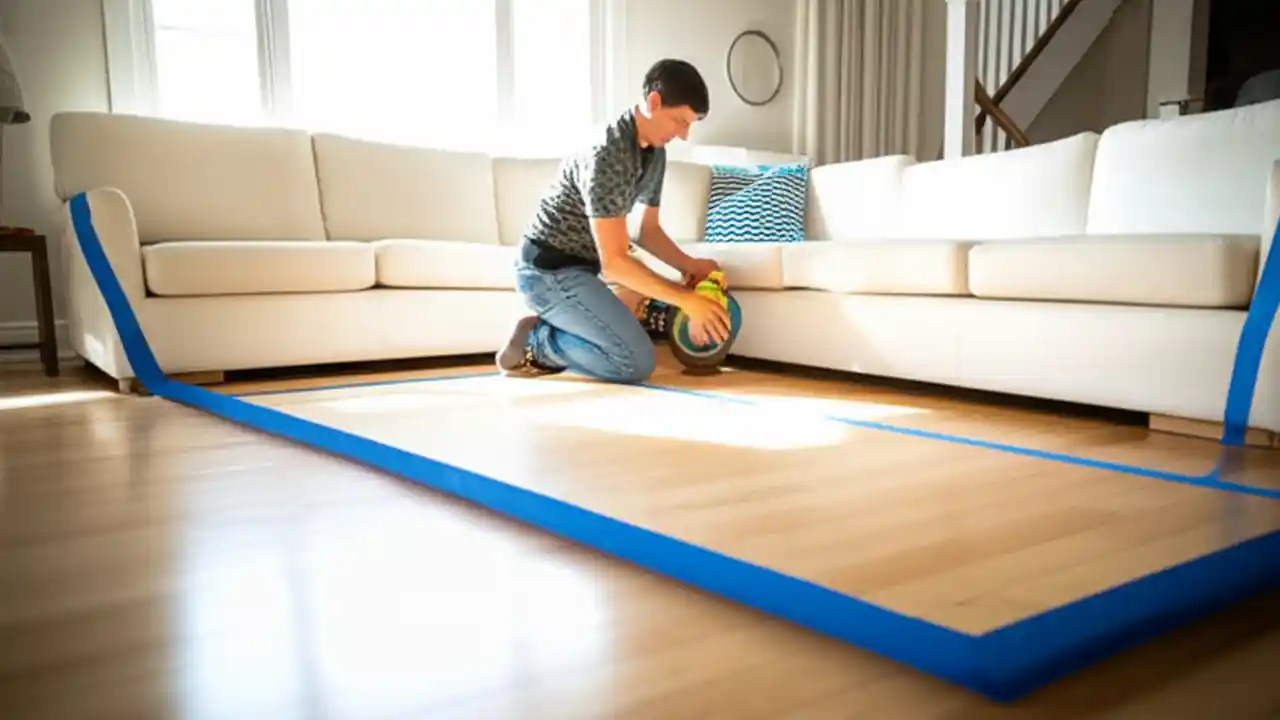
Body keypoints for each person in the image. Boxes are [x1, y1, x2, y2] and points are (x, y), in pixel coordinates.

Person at [496, 59, 732, 383]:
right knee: (633, 362)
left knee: (641, 292)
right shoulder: (608, 154)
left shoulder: (655, 151)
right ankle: (539, 342)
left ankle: (593, 321)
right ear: (653, 102)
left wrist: (689, 266)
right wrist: (687, 300)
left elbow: (645, 231)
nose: (684, 134)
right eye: (679, 121)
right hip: (547, 271)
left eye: (689, 125)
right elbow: (615, 264)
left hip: (583, 270)